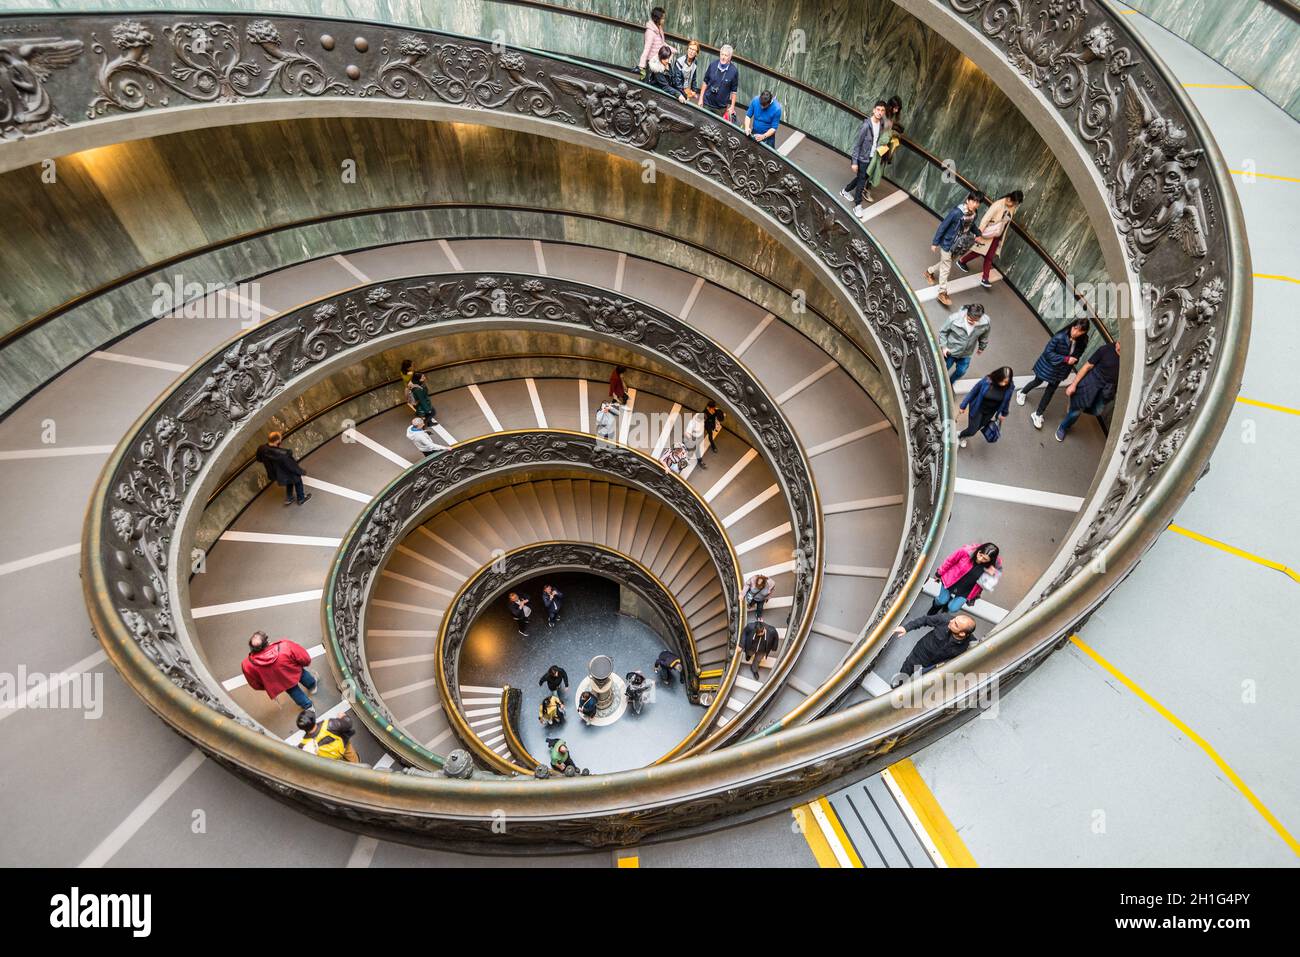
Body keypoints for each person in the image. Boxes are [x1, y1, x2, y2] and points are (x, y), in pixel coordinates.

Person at [1018, 319, 1089, 429]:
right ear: (1072, 326)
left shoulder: (1083, 342)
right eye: (1075, 329)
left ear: (1084, 333)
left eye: (1080, 331)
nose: (1076, 333)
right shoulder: (1059, 337)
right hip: (1047, 366)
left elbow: (1077, 355)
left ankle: (1038, 414)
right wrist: (1066, 359)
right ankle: (1022, 392)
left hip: (1061, 371)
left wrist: (1074, 360)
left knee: (1050, 391)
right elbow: (1048, 353)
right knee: (1037, 381)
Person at [1057, 340, 1121, 442]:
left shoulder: (1127, 361)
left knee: (1097, 411)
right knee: (1077, 411)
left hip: (1107, 388)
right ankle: (1063, 426)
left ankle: (1075, 401)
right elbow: (1087, 366)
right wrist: (1073, 385)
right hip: (1093, 381)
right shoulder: (1105, 349)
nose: (1118, 347)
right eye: (1119, 343)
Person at [889, 612, 978, 686]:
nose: (951, 621)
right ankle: (899, 684)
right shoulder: (944, 619)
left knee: (922, 680)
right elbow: (925, 620)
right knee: (908, 667)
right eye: (955, 619)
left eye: (956, 624)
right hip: (921, 653)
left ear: (962, 634)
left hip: (934, 664)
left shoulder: (969, 644)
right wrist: (906, 628)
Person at [926, 192, 981, 307]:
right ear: (968, 200)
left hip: (959, 245)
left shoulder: (974, 214)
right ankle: (942, 292)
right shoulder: (957, 212)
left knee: (945, 263)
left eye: (978, 202)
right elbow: (943, 226)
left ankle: (929, 272)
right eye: (973, 201)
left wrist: (978, 233)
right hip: (948, 243)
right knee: (946, 267)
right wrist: (935, 243)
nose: (975, 204)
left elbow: (972, 225)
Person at [959, 190, 1022, 289]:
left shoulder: (1012, 207)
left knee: (988, 255)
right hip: (988, 233)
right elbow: (985, 219)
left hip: (997, 235)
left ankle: (983, 277)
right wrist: (979, 233)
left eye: (1016, 203)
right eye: (1013, 202)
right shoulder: (998, 204)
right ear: (1009, 197)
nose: (1013, 204)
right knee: (982, 252)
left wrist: (1001, 237)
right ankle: (966, 264)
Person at [241, 631, 318, 708]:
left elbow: (255, 683)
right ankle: (312, 687)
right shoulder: (285, 646)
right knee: (303, 675)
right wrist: (305, 663)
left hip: (282, 683)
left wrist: (269, 686)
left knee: (293, 691)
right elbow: (304, 658)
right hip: (295, 671)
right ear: (267, 641)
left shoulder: (247, 664)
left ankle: (308, 706)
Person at [840, 100, 887, 218]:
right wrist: (854, 162)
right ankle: (858, 205)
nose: (879, 112)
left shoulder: (881, 125)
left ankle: (845, 191)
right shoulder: (866, 125)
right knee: (862, 180)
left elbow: (876, 140)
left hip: (872, 157)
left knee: (862, 177)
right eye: (878, 110)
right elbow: (858, 145)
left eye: (882, 110)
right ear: (873, 110)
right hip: (862, 158)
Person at [929, 542, 1002, 614]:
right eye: (980, 554)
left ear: (990, 560)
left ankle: (948, 603)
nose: (980, 559)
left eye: (985, 559)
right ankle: (935, 607)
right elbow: (950, 561)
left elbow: (986, 584)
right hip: (951, 581)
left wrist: (991, 576)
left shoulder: (992, 568)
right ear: (979, 550)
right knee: (941, 601)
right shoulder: (965, 552)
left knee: (953, 608)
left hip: (967, 589)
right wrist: (939, 573)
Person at [957, 366, 1014, 449]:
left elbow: (1006, 401)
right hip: (977, 409)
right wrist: (963, 405)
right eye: (1001, 380)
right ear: (997, 376)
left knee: (979, 427)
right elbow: (973, 392)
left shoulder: (1009, 388)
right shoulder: (987, 381)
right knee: (972, 430)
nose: (1003, 384)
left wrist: (1004, 413)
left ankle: (965, 436)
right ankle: (960, 435)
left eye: (1006, 382)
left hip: (990, 412)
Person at [861, 96, 904, 201]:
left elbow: (890, 129)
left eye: (898, 108)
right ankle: (861, 189)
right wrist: (894, 131)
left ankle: (863, 188)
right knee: (871, 169)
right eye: (894, 107)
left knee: (876, 170)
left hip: (885, 147)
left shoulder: (892, 116)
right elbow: (884, 129)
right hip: (878, 146)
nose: (896, 110)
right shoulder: (883, 114)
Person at [937, 303, 991, 384]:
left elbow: (984, 336)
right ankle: (939, 383)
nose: (972, 322)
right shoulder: (954, 319)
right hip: (951, 351)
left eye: (976, 321)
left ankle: (950, 383)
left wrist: (981, 347)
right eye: (970, 320)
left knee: (961, 371)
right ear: (966, 314)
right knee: (943, 370)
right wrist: (944, 347)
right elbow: (943, 332)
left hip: (966, 353)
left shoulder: (985, 323)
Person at [256, 430, 312, 507]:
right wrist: (301, 471)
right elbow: (292, 466)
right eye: (280, 439)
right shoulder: (284, 454)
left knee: (289, 481)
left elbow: (259, 459)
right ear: (277, 441)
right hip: (288, 471)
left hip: (277, 473)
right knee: (298, 482)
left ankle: (289, 498)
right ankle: (301, 499)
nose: (281, 440)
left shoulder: (261, 449)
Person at [698, 44, 739, 121]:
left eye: (726, 55)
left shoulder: (734, 71)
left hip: (721, 108)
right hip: (707, 103)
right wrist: (701, 99)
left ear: (730, 57)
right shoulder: (713, 65)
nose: (723, 57)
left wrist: (732, 106)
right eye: (722, 54)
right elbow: (705, 82)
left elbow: (734, 91)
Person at [637, 6, 672, 78]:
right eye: (662, 18)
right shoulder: (650, 32)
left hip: (658, 60)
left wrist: (672, 49)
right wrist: (641, 65)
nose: (664, 20)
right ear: (657, 18)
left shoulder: (659, 28)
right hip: (652, 63)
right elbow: (646, 49)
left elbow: (661, 43)